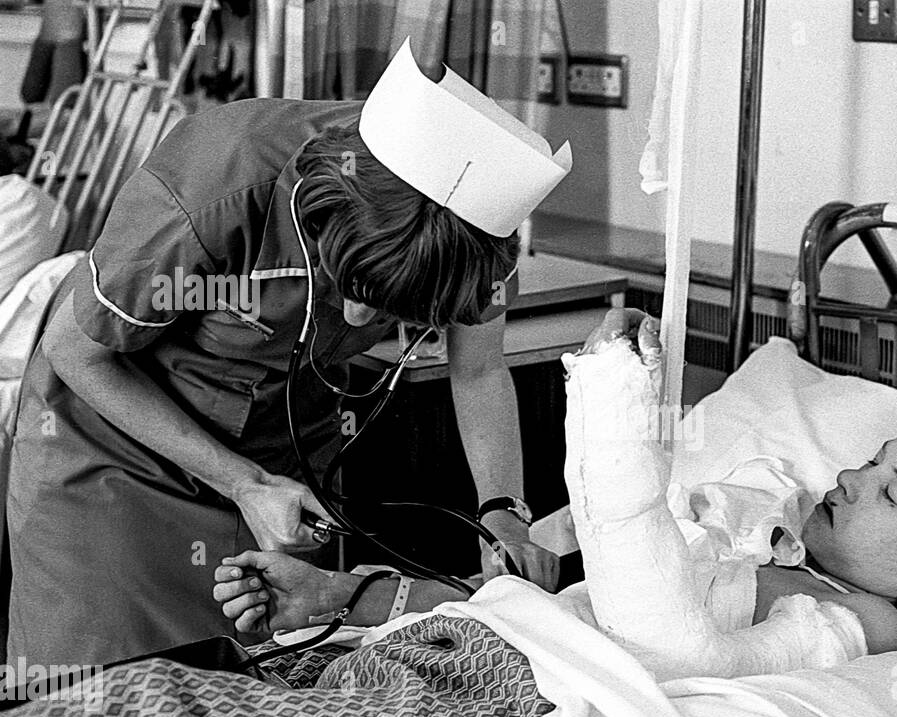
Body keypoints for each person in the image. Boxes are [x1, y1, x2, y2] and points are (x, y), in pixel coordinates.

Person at [6, 40, 568, 666]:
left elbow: (481, 367)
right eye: (347, 290)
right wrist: (243, 482)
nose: (357, 322)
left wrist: (505, 513)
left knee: (262, 687)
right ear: (321, 217)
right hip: (116, 450)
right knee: (108, 701)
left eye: (389, 315)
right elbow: (75, 353)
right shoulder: (217, 182)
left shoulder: (470, 239)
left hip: (286, 457)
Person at [213, 311, 897, 680]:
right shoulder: (763, 519)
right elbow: (571, 599)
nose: (852, 477)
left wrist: (612, 419)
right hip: (524, 633)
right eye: (872, 460)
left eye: (890, 493)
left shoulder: (872, 621)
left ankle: (348, 604)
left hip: (555, 678)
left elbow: (680, 653)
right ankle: (345, 595)